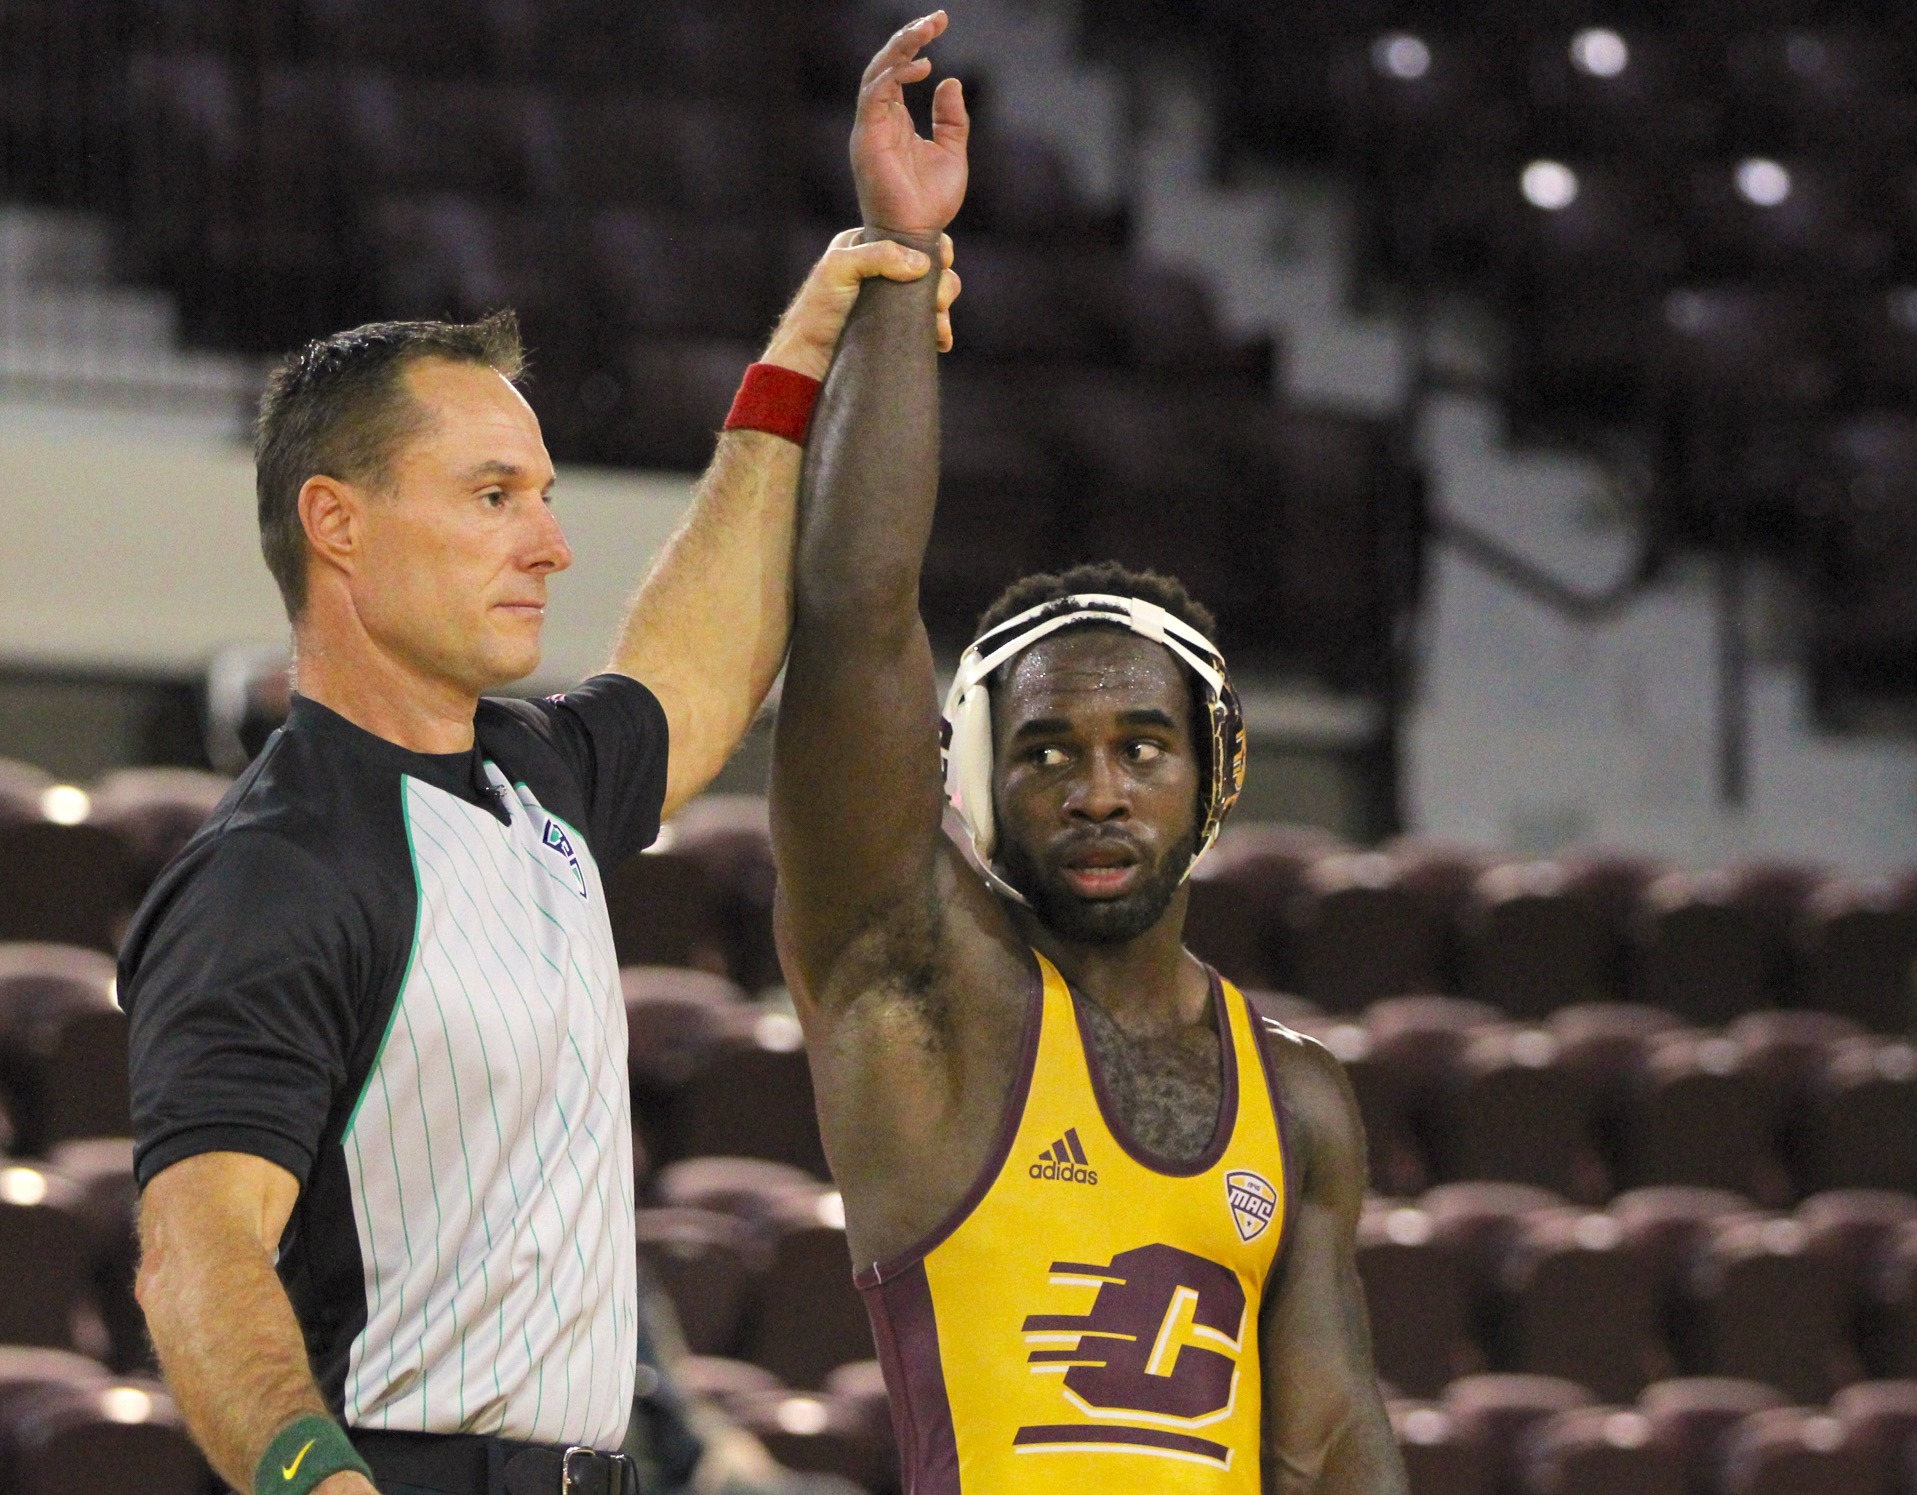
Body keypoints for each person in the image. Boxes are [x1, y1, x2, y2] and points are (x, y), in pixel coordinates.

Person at [122, 217, 959, 1495]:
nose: (551, 546)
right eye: (494, 497)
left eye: (546, 499)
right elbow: (199, 1255)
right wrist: (315, 1481)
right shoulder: (269, 875)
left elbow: (700, 663)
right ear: (336, 524)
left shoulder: (535, 778)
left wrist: (802, 356)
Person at [769, 13, 1407, 1493]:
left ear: (1217, 774)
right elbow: (851, 613)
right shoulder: (920, 985)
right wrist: (902, 264)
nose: (1099, 788)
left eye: (1139, 747)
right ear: (976, 776)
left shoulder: (1295, 1100)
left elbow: (1325, 1439)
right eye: (1046, 751)